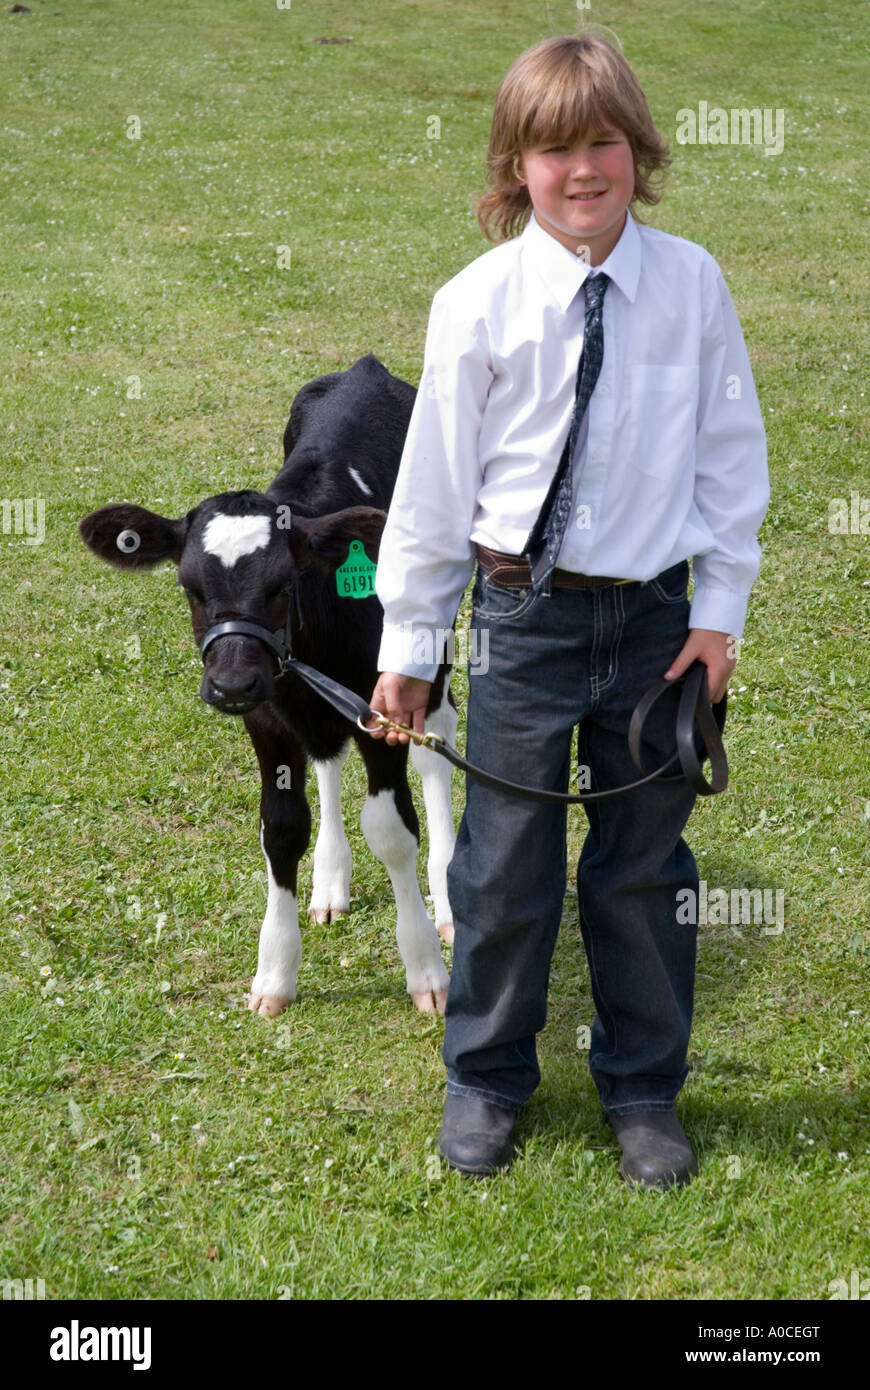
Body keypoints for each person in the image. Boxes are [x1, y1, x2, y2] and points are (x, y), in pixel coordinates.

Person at [366, 32, 769, 1186]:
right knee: (501, 866)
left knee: (644, 868)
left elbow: (731, 465)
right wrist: (410, 645)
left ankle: (644, 1087)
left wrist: (717, 617)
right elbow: (434, 493)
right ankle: (487, 1078)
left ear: (638, 152)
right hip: (519, 627)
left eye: (603, 143)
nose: (582, 170)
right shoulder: (476, 304)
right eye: (553, 151)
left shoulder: (692, 285)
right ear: (514, 169)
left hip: (653, 625)